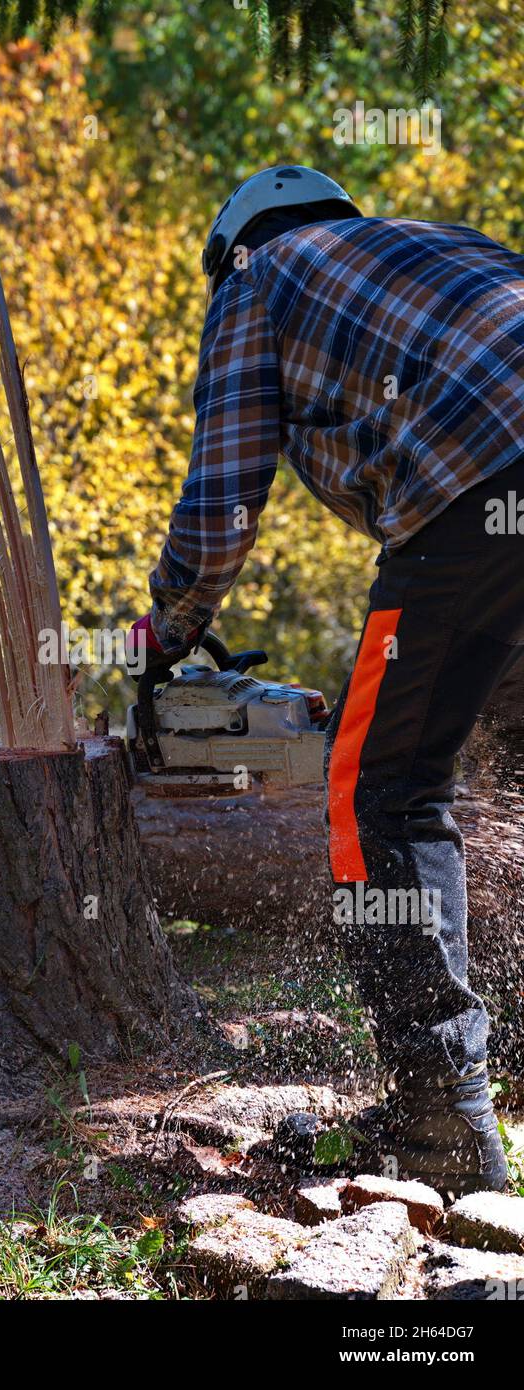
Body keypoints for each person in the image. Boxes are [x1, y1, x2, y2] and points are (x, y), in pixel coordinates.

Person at [133, 164, 524, 1195]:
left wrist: (166, 631)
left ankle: (440, 1117)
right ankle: (495, 1067)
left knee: (376, 793)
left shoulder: (259, 278)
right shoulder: (440, 242)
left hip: (479, 486)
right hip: (491, 488)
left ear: (232, 246)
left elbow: (224, 495)